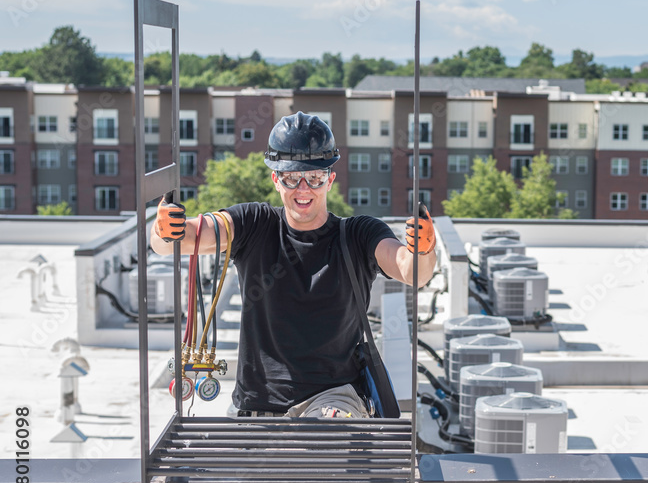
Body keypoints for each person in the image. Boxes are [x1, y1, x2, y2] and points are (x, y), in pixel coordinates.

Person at [150, 111, 437, 418]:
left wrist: (423, 249)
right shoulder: (254, 224)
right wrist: (164, 230)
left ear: (330, 180)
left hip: (334, 399)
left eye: (314, 178)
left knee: (325, 447)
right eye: (291, 178)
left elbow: (409, 270)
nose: (304, 189)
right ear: (276, 180)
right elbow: (185, 239)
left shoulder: (358, 234)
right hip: (256, 406)